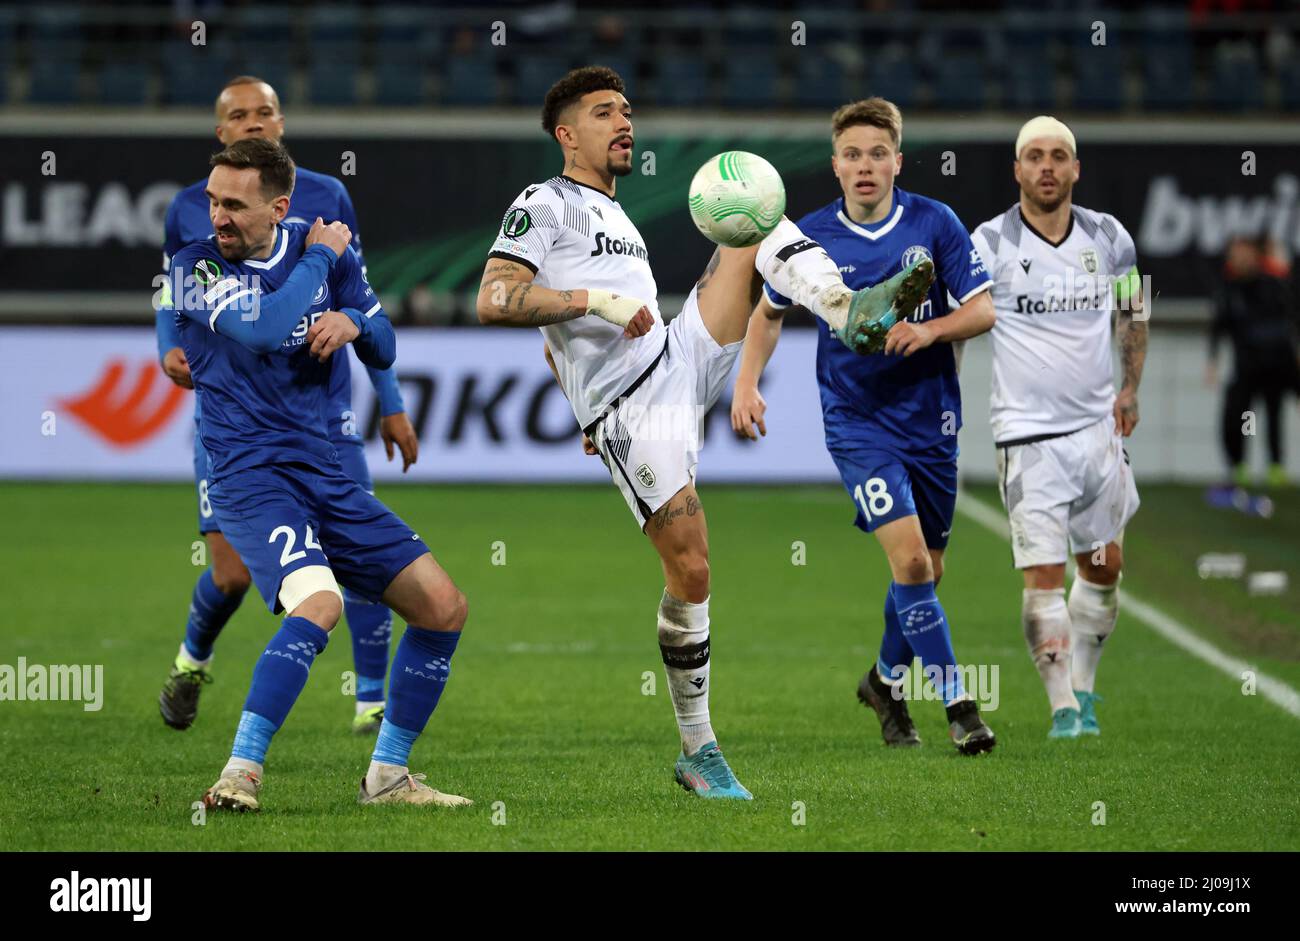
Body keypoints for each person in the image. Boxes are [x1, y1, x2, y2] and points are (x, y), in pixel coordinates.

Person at [477, 67, 934, 799]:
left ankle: (849, 310)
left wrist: (580, 372)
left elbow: (549, 346)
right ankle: (699, 749)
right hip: (634, 403)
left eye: (626, 110)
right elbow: (497, 297)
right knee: (692, 568)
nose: (624, 122)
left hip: (673, 356)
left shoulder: (617, 216)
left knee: (750, 203)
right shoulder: (546, 202)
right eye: (603, 114)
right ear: (566, 135)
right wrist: (593, 310)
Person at [170, 138, 470, 811]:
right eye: (213, 200)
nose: (216, 215)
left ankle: (388, 777)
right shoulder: (194, 267)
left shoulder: (318, 244)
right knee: (321, 602)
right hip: (251, 476)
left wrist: (353, 321)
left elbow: (386, 339)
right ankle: (238, 773)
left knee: (443, 608)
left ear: (278, 206)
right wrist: (322, 261)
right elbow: (264, 325)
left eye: (233, 205)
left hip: (327, 472)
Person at [731, 98, 998, 755]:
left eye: (878, 153)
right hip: (856, 421)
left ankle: (883, 680)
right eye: (852, 154)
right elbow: (768, 312)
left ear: (897, 161)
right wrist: (745, 383)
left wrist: (929, 328)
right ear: (835, 165)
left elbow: (984, 310)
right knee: (909, 558)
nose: (865, 165)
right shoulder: (809, 238)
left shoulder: (936, 223)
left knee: (928, 570)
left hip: (930, 419)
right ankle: (959, 704)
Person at [155, 76, 418, 736]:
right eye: (238, 115)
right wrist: (167, 348)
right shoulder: (190, 212)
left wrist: (389, 398)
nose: (252, 122)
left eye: (263, 111)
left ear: (281, 123)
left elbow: (361, 297)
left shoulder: (328, 200)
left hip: (321, 423)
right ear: (220, 132)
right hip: (238, 427)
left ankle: (371, 700)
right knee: (231, 574)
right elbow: (172, 291)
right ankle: (192, 660)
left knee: (361, 558)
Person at [970, 116, 1147, 739]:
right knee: (1043, 575)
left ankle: (1086, 689)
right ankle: (1061, 707)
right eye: (1035, 157)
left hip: (1098, 433)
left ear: (1076, 168)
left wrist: (1130, 387)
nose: (1047, 166)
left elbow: (1133, 310)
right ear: (1017, 170)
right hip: (1027, 439)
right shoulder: (988, 243)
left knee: (1102, 566)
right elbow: (963, 322)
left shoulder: (1111, 237)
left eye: (1059, 156)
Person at [1208, 235, 1299, 489]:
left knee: (1274, 414)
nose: (1240, 259)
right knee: (1246, 418)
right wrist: (1212, 362)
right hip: (1248, 368)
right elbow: (1219, 327)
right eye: (1235, 254)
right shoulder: (1228, 290)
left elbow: (1291, 319)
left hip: (1280, 364)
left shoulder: (1275, 283)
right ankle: (1241, 466)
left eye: (1244, 253)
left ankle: (1275, 466)